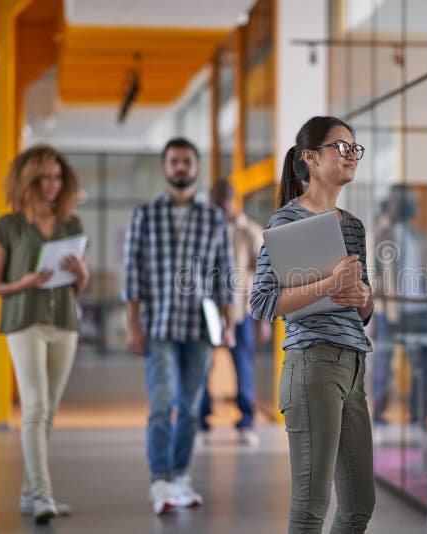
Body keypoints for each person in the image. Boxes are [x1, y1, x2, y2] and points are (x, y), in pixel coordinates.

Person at [250, 116, 375, 533]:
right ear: (310, 157)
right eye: (341, 147)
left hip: (354, 365)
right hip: (312, 365)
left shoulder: (353, 225)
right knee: (310, 508)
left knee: (359, 506)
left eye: (354, 148)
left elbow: (363, 303)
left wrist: (363, 299)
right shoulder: (284, 223)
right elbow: (263, 302)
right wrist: (329, 284)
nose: (351, 155)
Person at [123, 137, 234, 515]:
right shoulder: (145, 215)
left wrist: (228, 322)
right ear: (164, 168)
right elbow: (132, 274)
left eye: (187, 161)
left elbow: (225, 273)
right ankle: (160, 479)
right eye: (174, 161)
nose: (181, 167)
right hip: (158, 326)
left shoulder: (213, 217)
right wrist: (132, 325)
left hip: (200, 328)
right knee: (162, 403)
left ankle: (179, 476)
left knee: (188, 407)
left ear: (197, 167)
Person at [0, 144, 89, 524]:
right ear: (28, 179)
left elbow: (78, 286)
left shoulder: (71, 224)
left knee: (47, 412)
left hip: (64, 322)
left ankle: (31, 494)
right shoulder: (9, 225)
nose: (52, 184)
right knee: (34, 407)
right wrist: (25, 282)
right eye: (44, 177)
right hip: (24, 320)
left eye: (57, 177)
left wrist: (81, 274)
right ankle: (43, 495)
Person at [198, 180, 270, 446]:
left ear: (233, 201)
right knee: (201, 368)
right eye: (215, 201)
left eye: (224, 201)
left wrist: (263, 319)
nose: (219, 206)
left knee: (243, 368)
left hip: (241, 313)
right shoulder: (201, 229)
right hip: (207, 312)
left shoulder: (250, 231)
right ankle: (201, 423)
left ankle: (246, 423)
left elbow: (264, 277)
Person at [369, 184, 427, 442]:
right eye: (407, 201)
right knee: (384, 366)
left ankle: (419, 417)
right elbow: (371, 276)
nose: (412, 205)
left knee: (423, 367)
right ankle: (379, 418)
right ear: (392, 203)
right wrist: (371, 314)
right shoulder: (380, 234)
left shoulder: (420, 235)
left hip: (420, 310)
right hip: (390, 310)